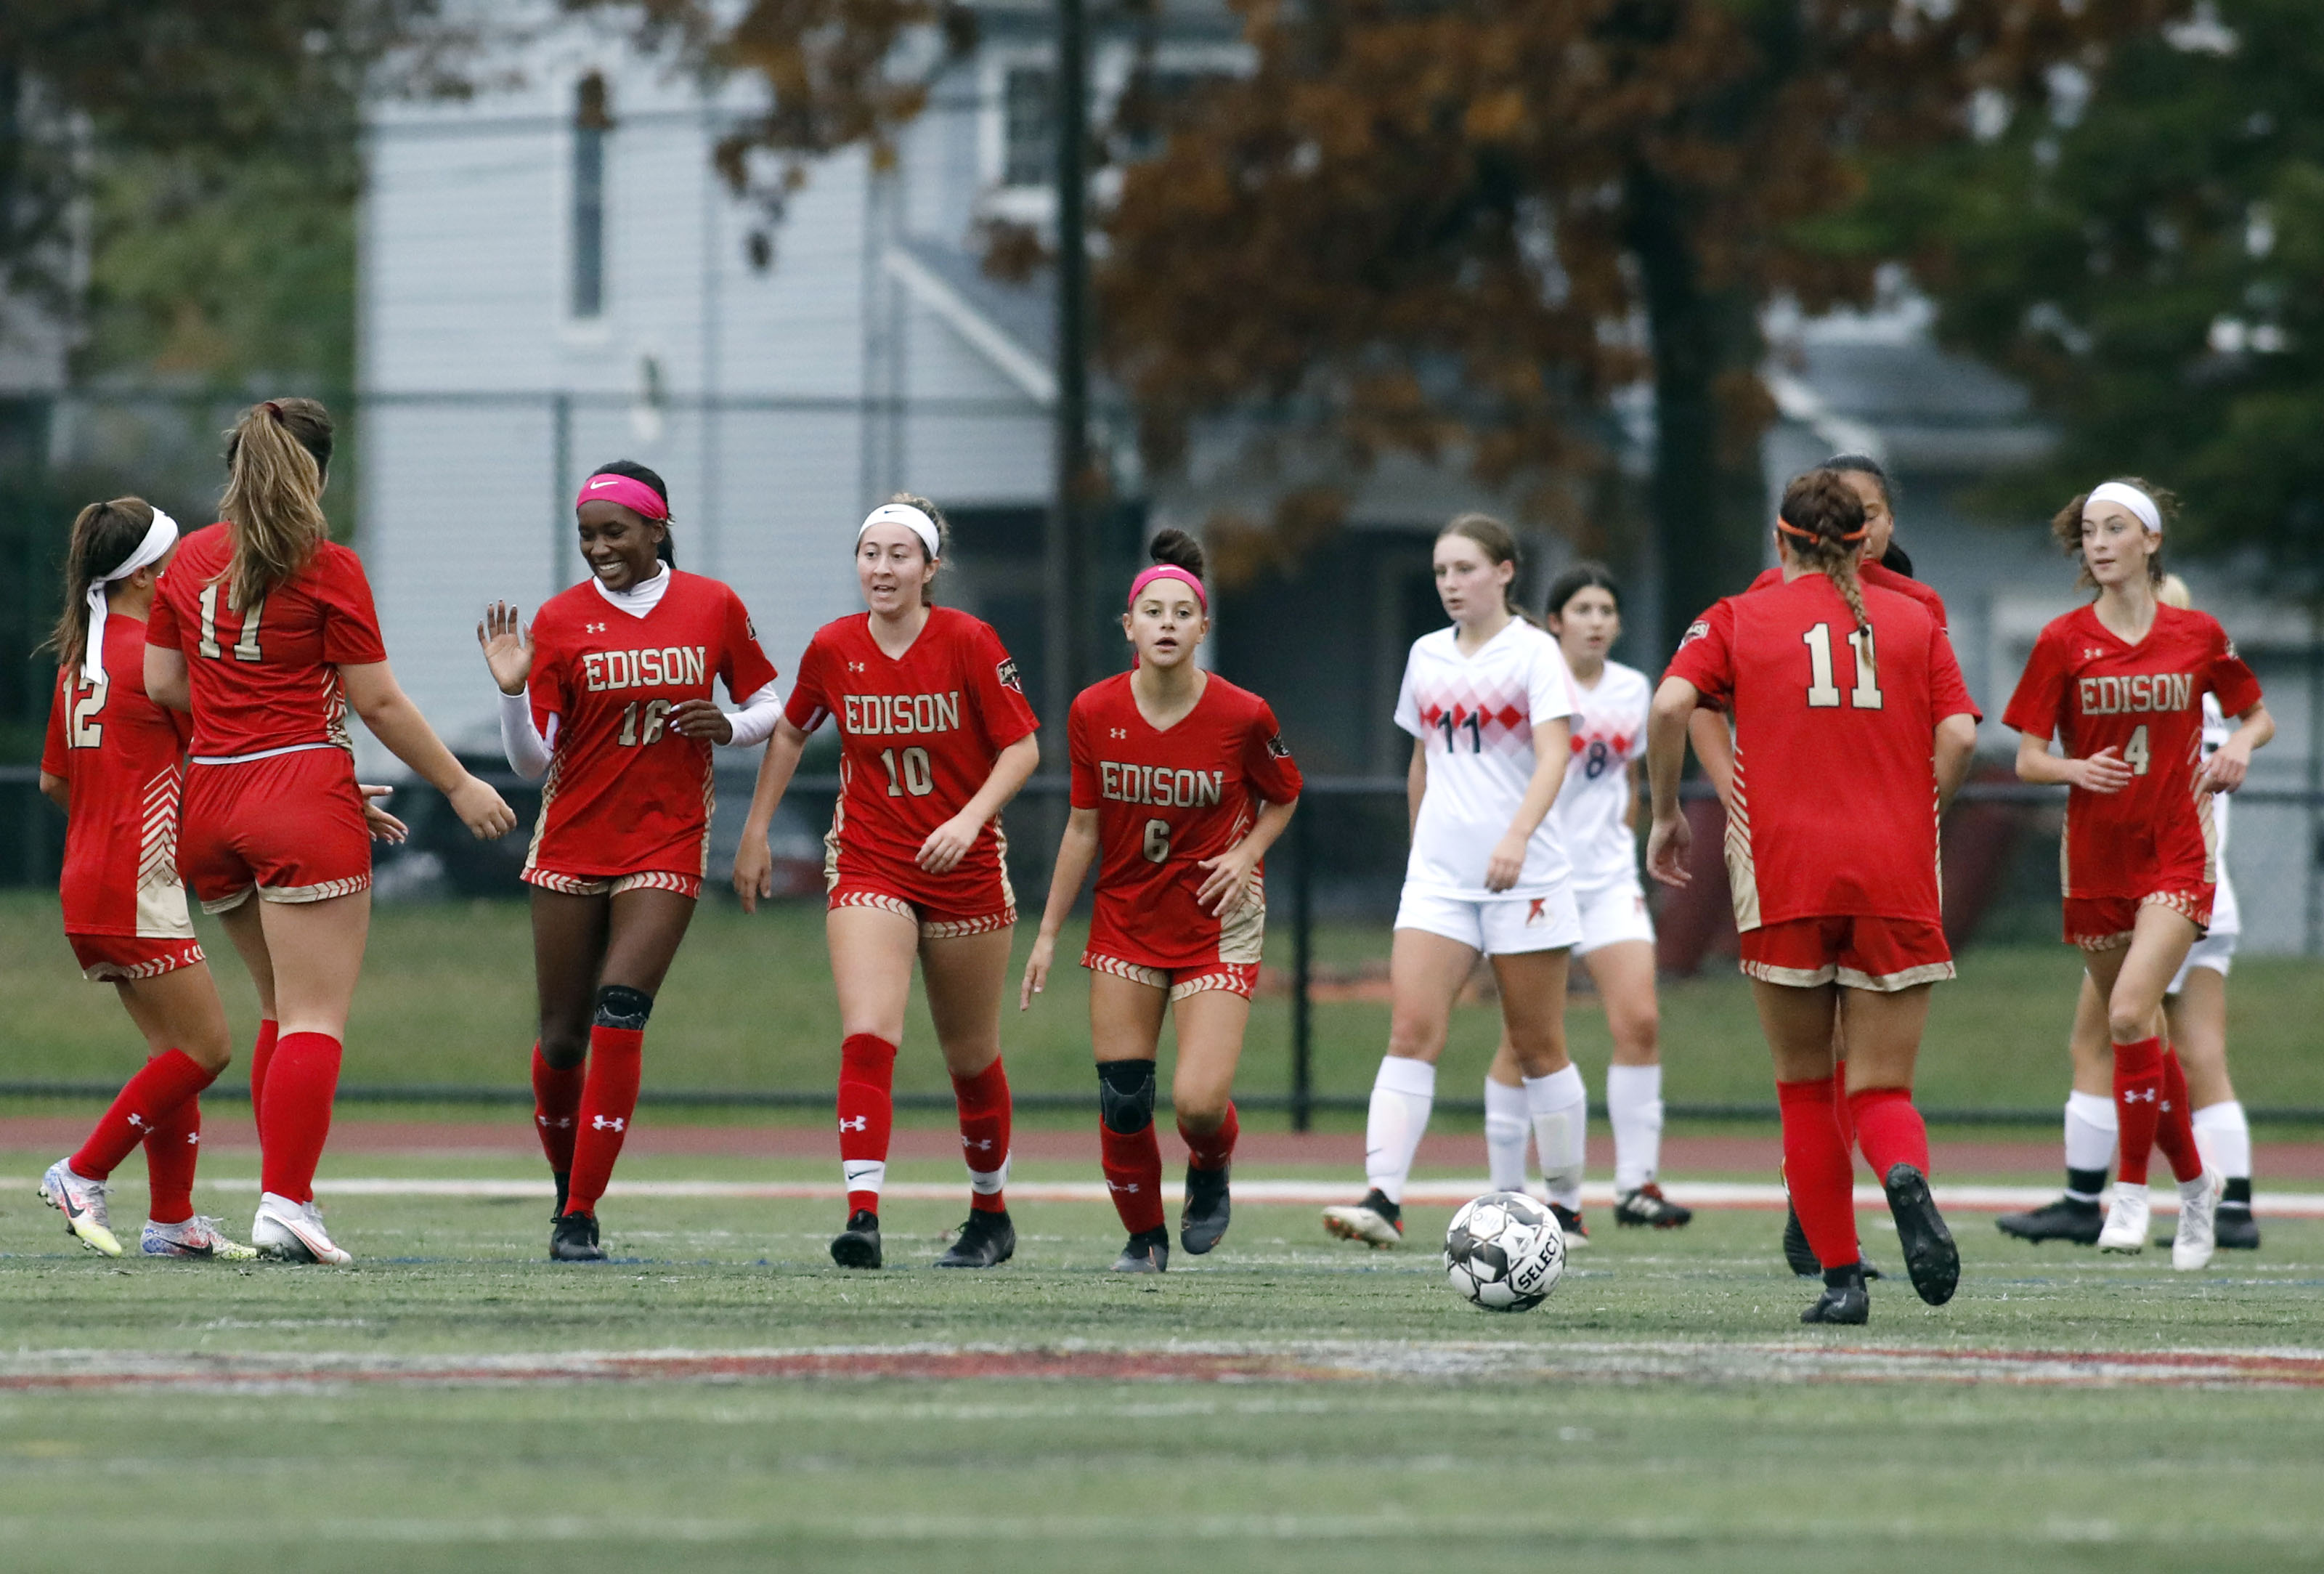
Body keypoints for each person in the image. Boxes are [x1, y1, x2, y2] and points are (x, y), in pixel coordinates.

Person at [144, 398, 515, 1265]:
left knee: (280, 1008)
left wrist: (247, 731)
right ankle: (286, 1201)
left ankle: (283, 1193)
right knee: (315, 1015)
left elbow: (162, 682)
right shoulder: (326, 564)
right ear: (317, 475)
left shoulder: (190, 557)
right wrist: (459, 784)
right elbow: (376, 701)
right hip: (298, 795)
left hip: (210, 797)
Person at [1646, 468, 1980, 1324]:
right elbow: (1958, 733)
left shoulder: (1737, 615)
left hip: (1785, 869)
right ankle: (1901, 1176)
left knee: (1802, 1087)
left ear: (1780, 538)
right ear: (1863, 538)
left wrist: (1665, 813)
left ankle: (1840, 1281)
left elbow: (1672, 703)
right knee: (1880, 1089)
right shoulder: (1914, 619)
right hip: (1893, 871)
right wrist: (1920, 812)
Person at [479, 461, 781, 1262]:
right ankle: (565, 1187)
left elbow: (768, 705)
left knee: (620, 1006)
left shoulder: (713, 604)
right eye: (587, 535)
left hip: (666, 837)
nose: (599, 548)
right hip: (572, 840)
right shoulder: (560, 618)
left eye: (614, 532)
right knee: (561, 1040)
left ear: (657, 527)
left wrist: (729, 727)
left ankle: (579, 1214)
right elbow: (532, 762)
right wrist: (511, 692)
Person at [734, 495, 1040, 1270]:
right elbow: (792, 728)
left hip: (964, 868)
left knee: (971, 1057)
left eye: (900, 555)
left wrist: (968, 820)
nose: (882, 568)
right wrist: (757, 828)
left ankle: (990, 1214)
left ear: (930, 568)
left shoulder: (968, 640)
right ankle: (862, 1214)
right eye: (870, 553)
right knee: (869, 1030)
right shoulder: (834, 645)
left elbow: (1022, 748)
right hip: (871, 859)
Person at [2001, 482, 2269, 1269]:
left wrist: (2239, 745)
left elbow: (2255, 713)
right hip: (2094, 858)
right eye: (2088, 530)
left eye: (2114, 528)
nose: (2098, 542)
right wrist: (2074, 768)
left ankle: (2128, 1192)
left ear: (2150, 540)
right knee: (2140, 1032)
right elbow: (2026, 759)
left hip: (2176, 853)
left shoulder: (2196, 633)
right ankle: (2195, 1185)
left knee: (2124, 1014)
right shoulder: (2062, 640)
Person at [1019, 531, 1304, 1272]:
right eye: (1153, 611)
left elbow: (1284, 793)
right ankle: (1143, 1239)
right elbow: (1082, 827)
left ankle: (1210, 1162)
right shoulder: (1093, 710)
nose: (1167, 623)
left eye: (1182, 612)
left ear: (1203, 627)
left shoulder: (1244, 714)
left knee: (1199, 1102)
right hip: (1127, 916)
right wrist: (1047, 933)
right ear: (1129, 625)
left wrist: (1245, 853)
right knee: (1123, 1099)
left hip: (1216, 920)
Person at [1321, 514, 1585, 1249]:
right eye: (1441, 571)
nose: (1449, 583)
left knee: (1536, 1045)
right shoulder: (1425, 654)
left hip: (1525, 878)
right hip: (1439, 881)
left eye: (1465, 568)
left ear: (1504, 571)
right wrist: (1421, 856)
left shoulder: (1534, 652)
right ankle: (1383, 1198)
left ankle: (1565, 1206)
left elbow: (1554, 755)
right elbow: (1421, 763)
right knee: (1410, 1031)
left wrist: (1515, 837)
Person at [36, 498, 253, 1259]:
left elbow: (54, 782)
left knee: (174, 1051)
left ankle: (173, 1221)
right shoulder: (155, 661)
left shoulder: (81, 661)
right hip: (135, 880)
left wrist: (113, 815)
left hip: (90, 879)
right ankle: (82, 1171)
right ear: (144, 578)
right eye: (175, 567)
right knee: (207, 1048)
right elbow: (227, 747)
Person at [1479, 564, 1689, 1230]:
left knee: (1641, 1020)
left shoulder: (1632, 688)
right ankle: (1506, 1192)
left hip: (1607, 881)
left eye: (1606, 609)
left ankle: (1635, 1185)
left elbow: (1627, 780)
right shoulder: (1532, 683)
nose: (1596, 621)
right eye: (1582, 609)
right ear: (1555, 621)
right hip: (1541, 878)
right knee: (1525, 1039)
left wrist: (1628, 838)